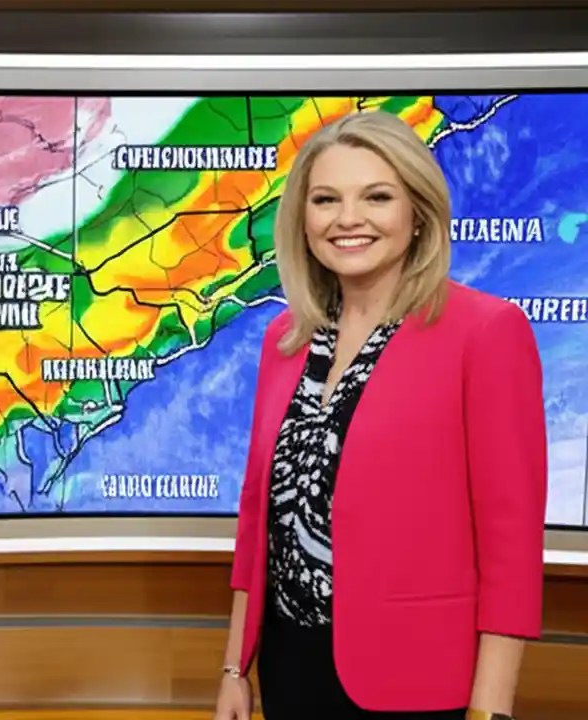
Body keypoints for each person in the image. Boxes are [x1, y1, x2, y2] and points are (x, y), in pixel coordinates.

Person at [213, 111, 547, 720]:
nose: (347, 219)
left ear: (417, 213)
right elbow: (258, 518)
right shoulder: (285, 340)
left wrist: (491, 709)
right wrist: (236, 666)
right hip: (290, 669)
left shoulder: (485, 333)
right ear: (303, 219)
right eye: (325, 199)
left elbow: (512, 548)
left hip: (416, 683)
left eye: (377, 196)